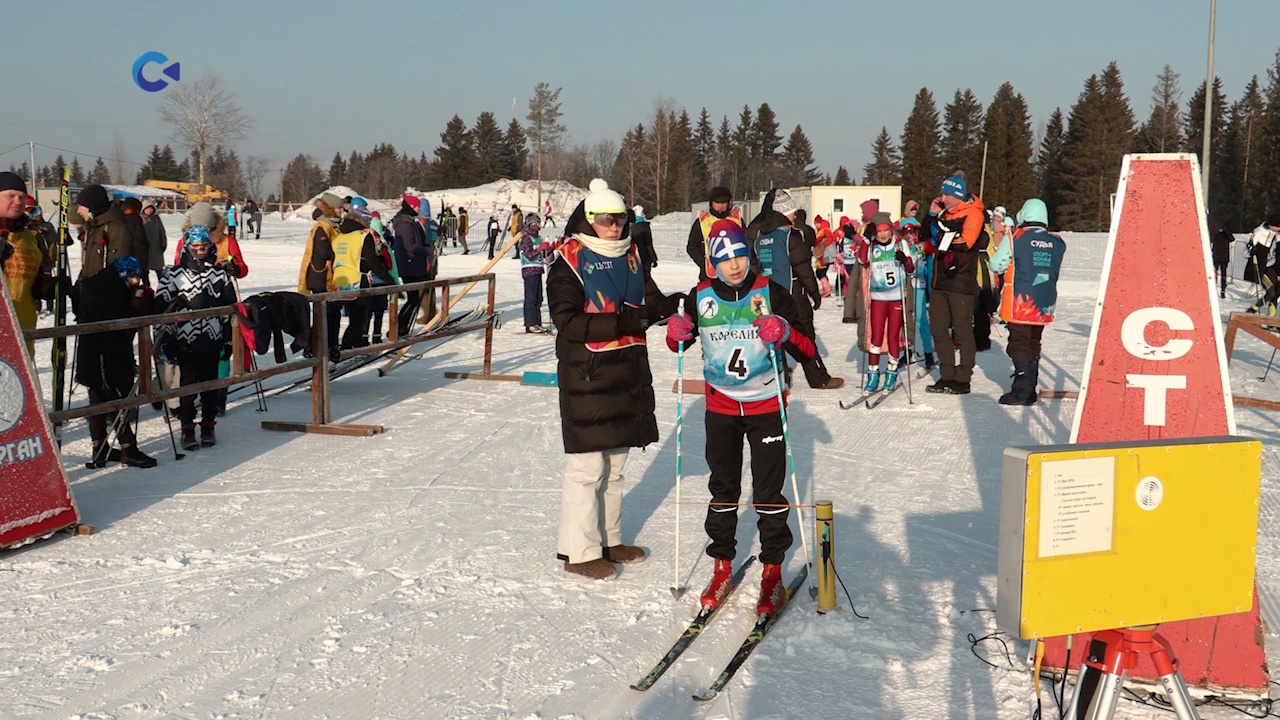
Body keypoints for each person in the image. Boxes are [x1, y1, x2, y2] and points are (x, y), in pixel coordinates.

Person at [665, 219, 815, 614]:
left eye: (739, 255)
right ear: (712, 262)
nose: (734, 265)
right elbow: (678, 339)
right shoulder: (699, 297)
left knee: (768, 492)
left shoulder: (770, 292)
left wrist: (783, 330)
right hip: (721, 409)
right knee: (723, 490)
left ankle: (771, 572)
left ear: (749, 255)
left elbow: (808, 348)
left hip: (767, 406)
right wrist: (676, 333)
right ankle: (721, 565)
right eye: (724, 258)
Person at [547, 179, 684, 580]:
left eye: (620, 218)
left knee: (616, 466)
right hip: (588, 375)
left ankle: (609, 539)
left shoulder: (631, 255)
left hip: (626, 372)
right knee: (587, 469)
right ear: (589, 219)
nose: (613, 226)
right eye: (605, 219)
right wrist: (624, 320)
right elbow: (567, 321)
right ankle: (580, 550)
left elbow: (649, 299)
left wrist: (676, 304)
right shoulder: (568, 261)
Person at [746, 188, 844, 390]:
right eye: (791, 212)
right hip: (792, 295)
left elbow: (755, 266)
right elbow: (802, 267)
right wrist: (814, 292)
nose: (794, 215)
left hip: (768, 294)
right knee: (804, 335)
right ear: (783, 213)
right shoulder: (789, 235)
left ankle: (781, 379)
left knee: (774, 336)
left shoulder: (760, 236)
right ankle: (819, 379)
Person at [154, 227, 236, 449]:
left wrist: (228, 339)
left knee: (210, 387)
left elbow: (231, 308)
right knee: (187, 388)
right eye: (196, 247)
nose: (201, 250)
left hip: (212, 339)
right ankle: (187, 429)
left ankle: (208, 426)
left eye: (205, 246)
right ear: (187, 247)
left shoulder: (219, 274)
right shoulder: (173, 275)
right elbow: (160, 309)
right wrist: (167, 338)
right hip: (184, 341)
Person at [73, 255, 157, 468]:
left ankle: (99, 448)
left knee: (98, 399)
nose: (136, 282)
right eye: (133, 278)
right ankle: (128, 447)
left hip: (95, 353)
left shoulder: (101, 285)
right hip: (106, 354)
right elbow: (126, 321)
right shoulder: (109, 292)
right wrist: (138, 300)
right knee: (115, 399)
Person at [988, 199, 1065, 405]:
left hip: (1020, 301)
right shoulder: (1057, 242)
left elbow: (996, 264)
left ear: (1024, 214)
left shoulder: (1016, 238)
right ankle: (1030, 387)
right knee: (1033, 343)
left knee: (1019, 344)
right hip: (1044, 303)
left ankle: (1022, 390)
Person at [923, 174, 988, 395]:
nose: (943, 198)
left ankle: (963, 378)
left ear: (958, 195)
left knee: (961, 331)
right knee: (938, 329)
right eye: (942, 194)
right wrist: (932, 213)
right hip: (939, 282)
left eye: (947, 195)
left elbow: (965, 242)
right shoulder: (943, 214)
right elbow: (925, 236)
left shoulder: (974, 214)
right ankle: (947, 375)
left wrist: (942, 237)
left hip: (961, 282)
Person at [857, 213, 915, 392]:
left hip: (896, 298)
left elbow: (911, 270)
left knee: (893, 337)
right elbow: (861, 259)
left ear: (891, 230)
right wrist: (866, 240)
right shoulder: (872, 246)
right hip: (878, 300)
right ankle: (873, 374)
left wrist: (905, 261)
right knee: (875, 337)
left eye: (886, 231)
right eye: (879, 231)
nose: (883, 235)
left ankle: (891, 372)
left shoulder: (900, 244)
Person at [328, 197, 394, 349]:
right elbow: (372, 261)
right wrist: (388, 279)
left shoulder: (340, 237)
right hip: (358, 280)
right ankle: (347, 348)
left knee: (338, 319)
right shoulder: (363, 236)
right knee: (358, 320)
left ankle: (337, 348)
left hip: (338, 281)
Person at [0, 174, 41, 354]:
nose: (17, 201)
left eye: (21, 197)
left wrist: (44, 285)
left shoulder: (29, 235)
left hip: (23, 325)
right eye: (10, 196)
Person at [75, 184, 149, 283]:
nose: (78, 210)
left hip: (106, 294)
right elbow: (88, 265)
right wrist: (79, 285)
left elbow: (121, 272)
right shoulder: (93, 228)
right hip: (91, 293)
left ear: (92, 205)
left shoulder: (117, 229)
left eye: (81, 206)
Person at [392, 194, 431, 333]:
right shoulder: (405, 223)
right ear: (412, 207)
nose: (419, 209)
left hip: (413, 265)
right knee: (413, 299)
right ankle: (399, 326)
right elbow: (410, 246)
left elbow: (418, 240)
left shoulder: (409, 221)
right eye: (418, 207)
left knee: (415, 299)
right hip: (410, 265)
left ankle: (402, 326)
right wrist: (428, 250)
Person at [687, 186, 742, 281]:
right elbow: (691, 246)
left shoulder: (737, 220)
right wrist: (702, 263)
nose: (721, 205)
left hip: (734, 272)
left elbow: (747, 243)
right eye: (717, 202)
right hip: (709, 274)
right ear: (711, 203)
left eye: (724, 202)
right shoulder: (702, 221)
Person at [366, 210, 399, 344]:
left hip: (368, 282)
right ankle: (376, 336)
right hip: (381, 282)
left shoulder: (365, 240)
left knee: (367, 312)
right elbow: (390, 264)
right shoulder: (382, 244)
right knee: (379, 312)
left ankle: (364, 336)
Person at [26, 197, 61, 316]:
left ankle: (50, 306)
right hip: (33, 261)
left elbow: (53, 241)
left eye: (38, 211)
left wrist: (46, 233)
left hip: (46, 260)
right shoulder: (26, 228)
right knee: (34, 284)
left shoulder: (47, 226)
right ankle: (37, 307)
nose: (37, 215)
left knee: (47, 284)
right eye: (33, 212)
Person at [518, 214, 553, 333]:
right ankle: (530, 323)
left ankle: (537, 322)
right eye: (537, 223)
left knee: (538, 297)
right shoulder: (526, 238)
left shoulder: (538, 237)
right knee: (531, 297)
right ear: (532, 224)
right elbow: (529, 254)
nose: (539, 225)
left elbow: (544, 254)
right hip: (529, 270)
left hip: (538, 269)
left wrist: (550, 248)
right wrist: (539, 249)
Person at [1246, 215, 1280, 313]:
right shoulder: (1259, 232)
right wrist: (1252, 250)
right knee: (1271, 292)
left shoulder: (1277, 234)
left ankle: (1270, 319)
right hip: (1261, 267)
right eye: (1277, 227)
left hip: (1272, 267)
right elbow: (1246, 251)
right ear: (1270, 225)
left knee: (1276, 292)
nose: (1279, 229)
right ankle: (1252, 309)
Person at [142, 199, 167, 287]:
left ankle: (162, 288)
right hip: (145, 251)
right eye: (147, 208)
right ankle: (147, 289)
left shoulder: (156, 219)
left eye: (151, 208)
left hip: (156, 249)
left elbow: (162, 232)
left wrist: (163, 243)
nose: (149, 210)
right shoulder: (140, 219)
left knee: (160, 271)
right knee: (144, 272)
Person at [1207, 214, 1233, 299]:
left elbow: (1231, 239)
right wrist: (1216, 232)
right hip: (1217, 255)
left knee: (1224, 275)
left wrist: (1225, 231)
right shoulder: (1215, 233)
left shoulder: (1226, 232)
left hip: (1224, 256)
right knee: (1215, 273)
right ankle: (1213, 288)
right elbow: (1211, 240)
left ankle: (1223, 290)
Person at [630, 205, 658, 271]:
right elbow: (649, 245)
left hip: (632, 257)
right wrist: (653, 259)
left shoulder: (629, 227)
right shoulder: (645, 227)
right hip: (645, 258)